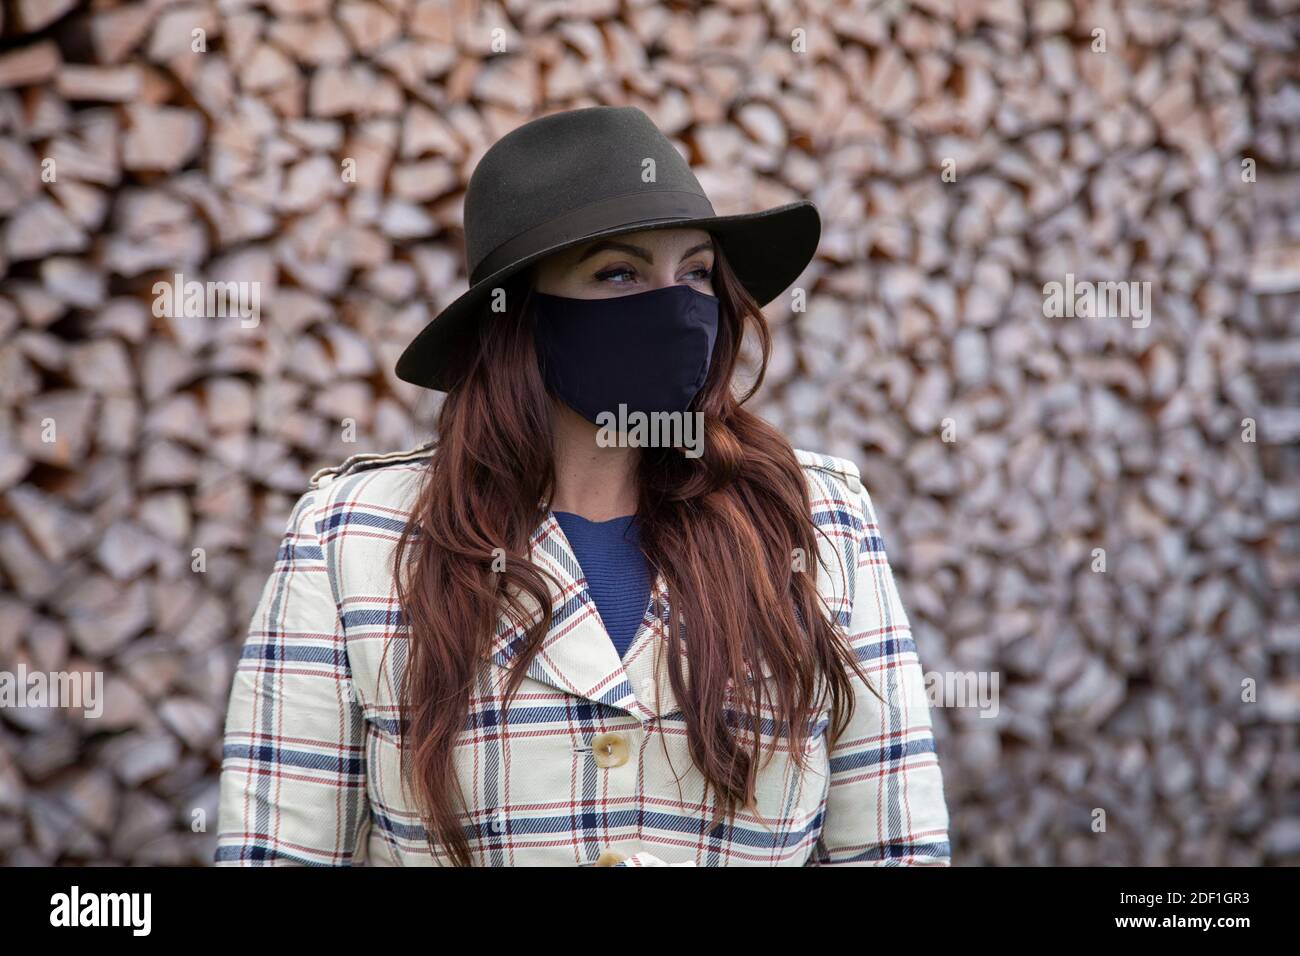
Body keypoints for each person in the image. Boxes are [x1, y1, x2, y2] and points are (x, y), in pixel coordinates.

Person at [214, 105, 950, 867]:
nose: (675, 306)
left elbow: (894, 847)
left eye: (695, 272)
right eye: (619, 273)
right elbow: (279, 854)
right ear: (519, 314)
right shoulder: (354, 540)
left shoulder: (815, 522)